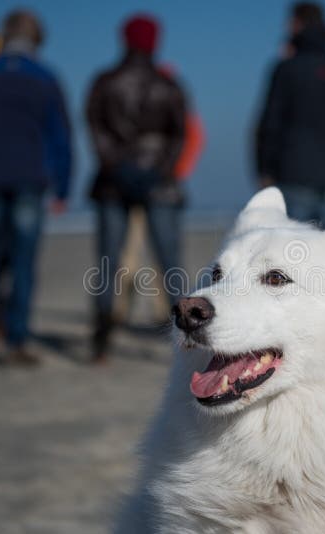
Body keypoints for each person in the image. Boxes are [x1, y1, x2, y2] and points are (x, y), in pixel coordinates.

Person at [0, 10, 72, 365]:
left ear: (3, 36)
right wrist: (62, 187)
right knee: (22, 262)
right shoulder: (45, 78)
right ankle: (16, 339)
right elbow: (60, 137)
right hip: (29, 180)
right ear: (37, 40)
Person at [85, 13, 187, 363]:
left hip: (114, 182)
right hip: (159, 184)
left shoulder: (105, 81)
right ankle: (185, 341)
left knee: (107, 263)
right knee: (169, 263)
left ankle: (101, 340)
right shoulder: (168, 84)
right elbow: (179, 134)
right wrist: (160, 169)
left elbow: (95, 128)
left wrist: (117, 166)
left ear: (125, 40)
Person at [254, 2, 325, 228]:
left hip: (294, 173)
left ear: (297, 24)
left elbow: (270, 124)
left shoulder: (287, 68)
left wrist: (264, 170)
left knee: (295, 252)